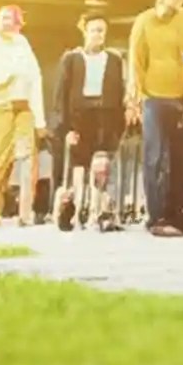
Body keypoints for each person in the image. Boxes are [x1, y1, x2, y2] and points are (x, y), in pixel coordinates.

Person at [128, 0, 183, 237]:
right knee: (155, 157)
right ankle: (157, 216)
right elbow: (136, 63)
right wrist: (136, 98)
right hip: (153, 98)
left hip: (180, 99)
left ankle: (178, 214)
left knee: (182, 159)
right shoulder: (145, 21)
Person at [0, 5, 47, 226]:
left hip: (23, 109)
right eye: (2, 18)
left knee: (27, 159)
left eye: (10, 19)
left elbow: (35, 80)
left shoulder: (23, 45)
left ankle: (24, 214)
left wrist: (40, 120)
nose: (6, 22)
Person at [52, 12, 127, 231]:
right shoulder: (72, 59)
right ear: (84, 31)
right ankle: (75, 208)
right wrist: (65, 127)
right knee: (78, 165)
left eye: (102, 31)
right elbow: (61, 95)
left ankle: (98, 210)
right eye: (94, 30)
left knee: (101, 164)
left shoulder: (113, 59)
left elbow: (120, 91)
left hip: (105, 114)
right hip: (79, 115)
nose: (98, 35)